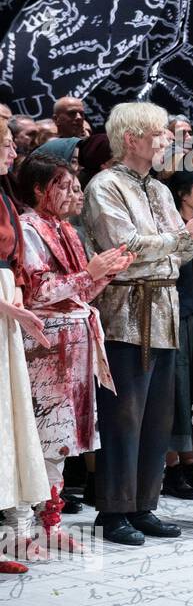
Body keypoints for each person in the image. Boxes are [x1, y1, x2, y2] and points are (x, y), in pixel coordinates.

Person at [83, 102, 193, 545]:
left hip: (164, 306)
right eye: (160, 135)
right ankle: (113, 511)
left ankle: (144, 505)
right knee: (124, 416)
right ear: (132, 138)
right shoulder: (105, 186)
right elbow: (126, 245)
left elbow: (177, 253)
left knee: (158, 417)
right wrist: (187, 233)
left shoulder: (161, 191)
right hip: (125, 309)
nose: (168, 142)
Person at [16, 154, 132, 551]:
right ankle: (26, 529)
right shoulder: (28, 226)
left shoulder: (65, 228)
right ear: (38, 188)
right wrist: (91, 272)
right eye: (63, 185)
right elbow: (39, 293)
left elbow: (78, 294)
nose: (73, 193)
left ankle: (51, 524)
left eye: (73, 184)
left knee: (64, 442)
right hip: (45, 345)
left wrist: (106, 273)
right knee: (42, 437)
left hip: (76, 341)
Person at [0, 125, 58, 573]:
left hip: (6, 312)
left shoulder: (4, 196)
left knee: (7, 420)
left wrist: (16, 292)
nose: (11, 151)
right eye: (3, 144)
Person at [162, 169, 193, 499]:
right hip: (173, 316)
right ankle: (172, 466)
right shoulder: (172, 227)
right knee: (174, 394)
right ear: (183, 195)